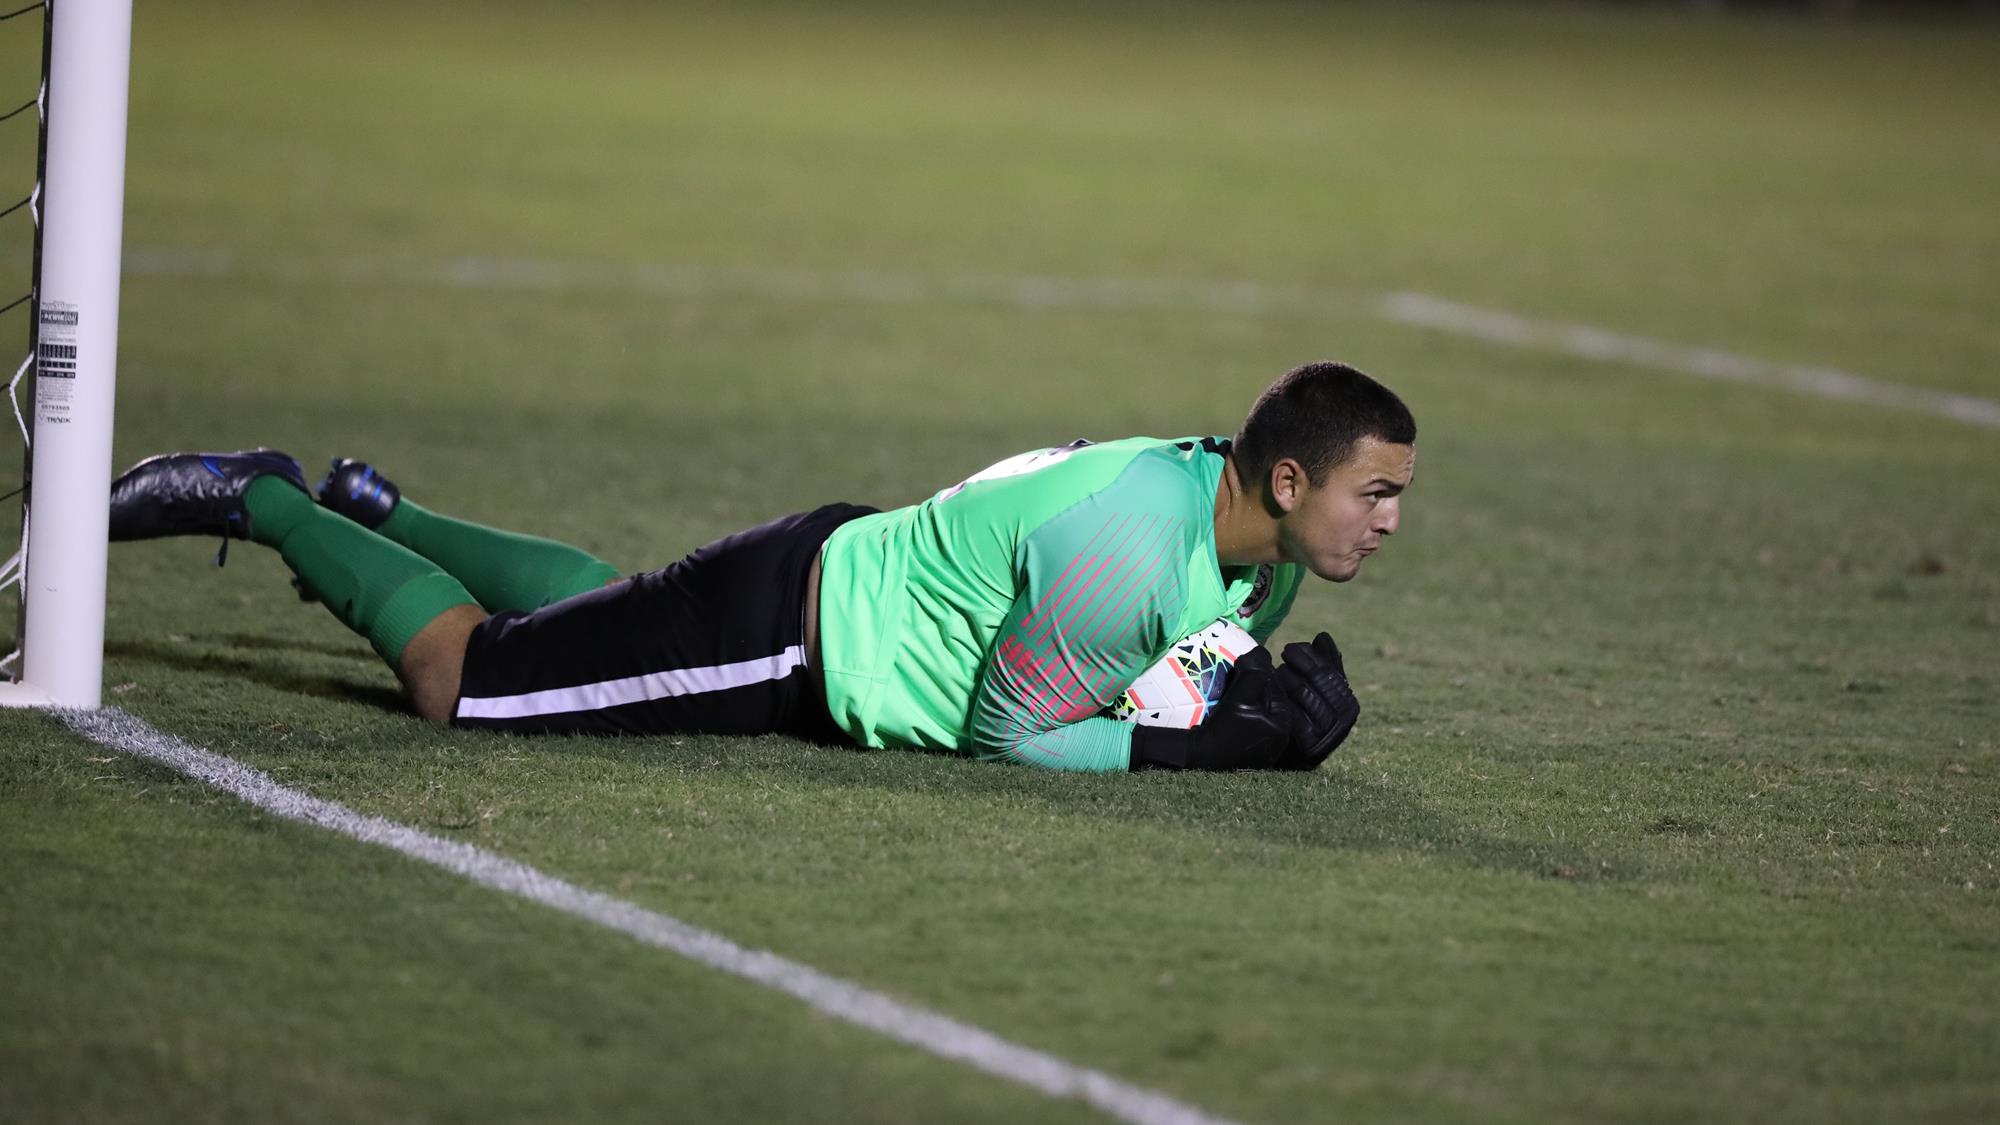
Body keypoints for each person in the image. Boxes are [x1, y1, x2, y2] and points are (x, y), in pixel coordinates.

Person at [108, 360, 1416, 772]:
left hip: (825, 576)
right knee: (462, 681)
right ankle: (267, 499)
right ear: (1289, 481)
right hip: (798, 637)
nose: (1391, 519)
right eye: (1377, 492)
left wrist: (1240, 682)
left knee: (605, 606)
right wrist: (1224, 742)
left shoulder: (1250, 545)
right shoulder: (1140, 542)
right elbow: (1011, 728)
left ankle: (381, 510)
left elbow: (1155, 663)